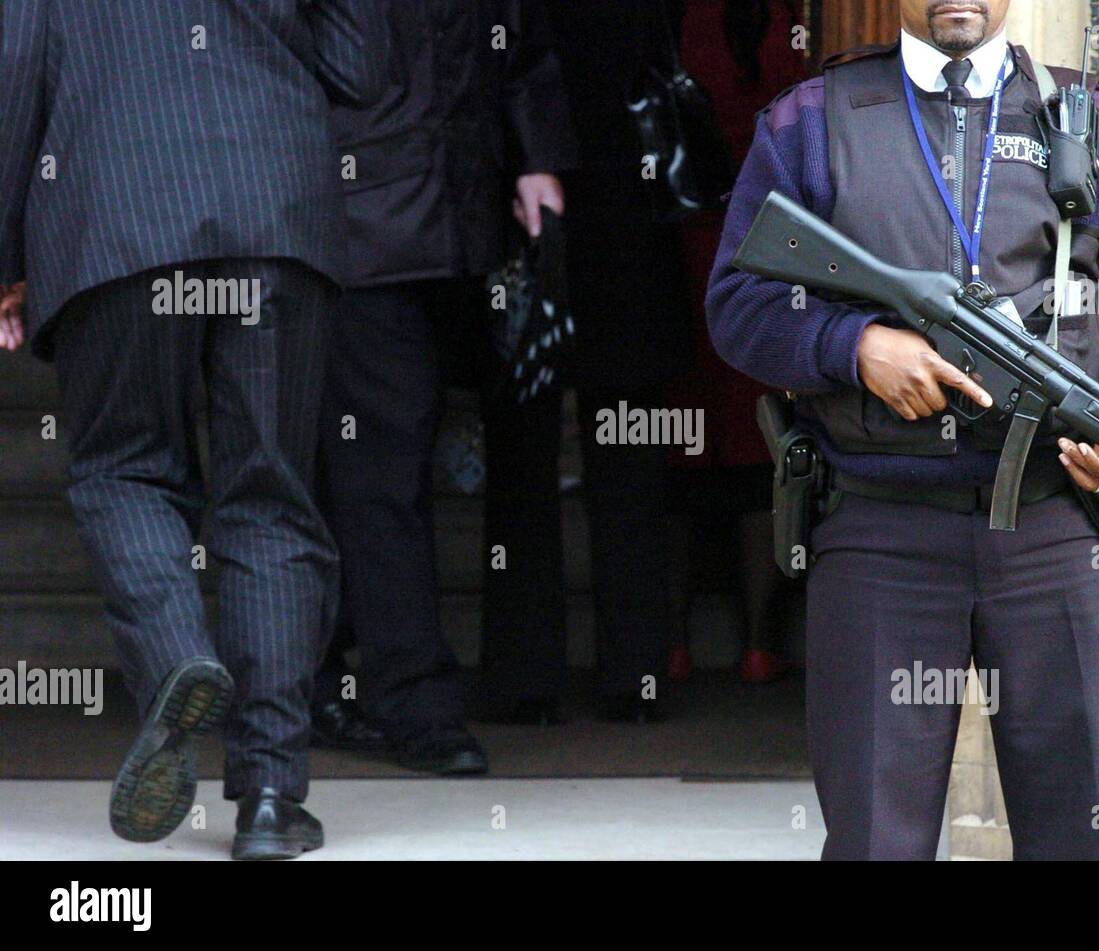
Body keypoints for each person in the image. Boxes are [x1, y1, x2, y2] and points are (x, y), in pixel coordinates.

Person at [706, 0, 1099, 859]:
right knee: (876, 841)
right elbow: (739, 304)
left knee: (1085, 839)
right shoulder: (810, 121)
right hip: (878, 535)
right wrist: (853, 346)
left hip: (1058, 536)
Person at [0, 0, 388, 859]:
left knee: (123, 469)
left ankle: (176, 656)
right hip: (274, 207)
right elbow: (363, 68)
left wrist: (5, 259)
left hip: (117, 211)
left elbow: (12, 74)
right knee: (271, 494)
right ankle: (271, 800)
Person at [316, 0, 576, 767]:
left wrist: (533, 158)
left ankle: (315, 670)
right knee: (384, 465)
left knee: (376, 459)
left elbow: (518, 37)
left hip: (452, 221)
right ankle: (414, 701)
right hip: (365, 228)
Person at [468, 0, 692, 724]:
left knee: (529, 438)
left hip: (539, 188)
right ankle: (631, 670)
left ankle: (527, 675)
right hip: (617, 185)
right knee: (616, 444)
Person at [666, 0, 806, 684]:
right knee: (757, 453)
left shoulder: (684, 19)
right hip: (765, 255)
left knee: (680, 453)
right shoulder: (786, 22)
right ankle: (757, 644)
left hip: (689, 252)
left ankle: (672, 644)